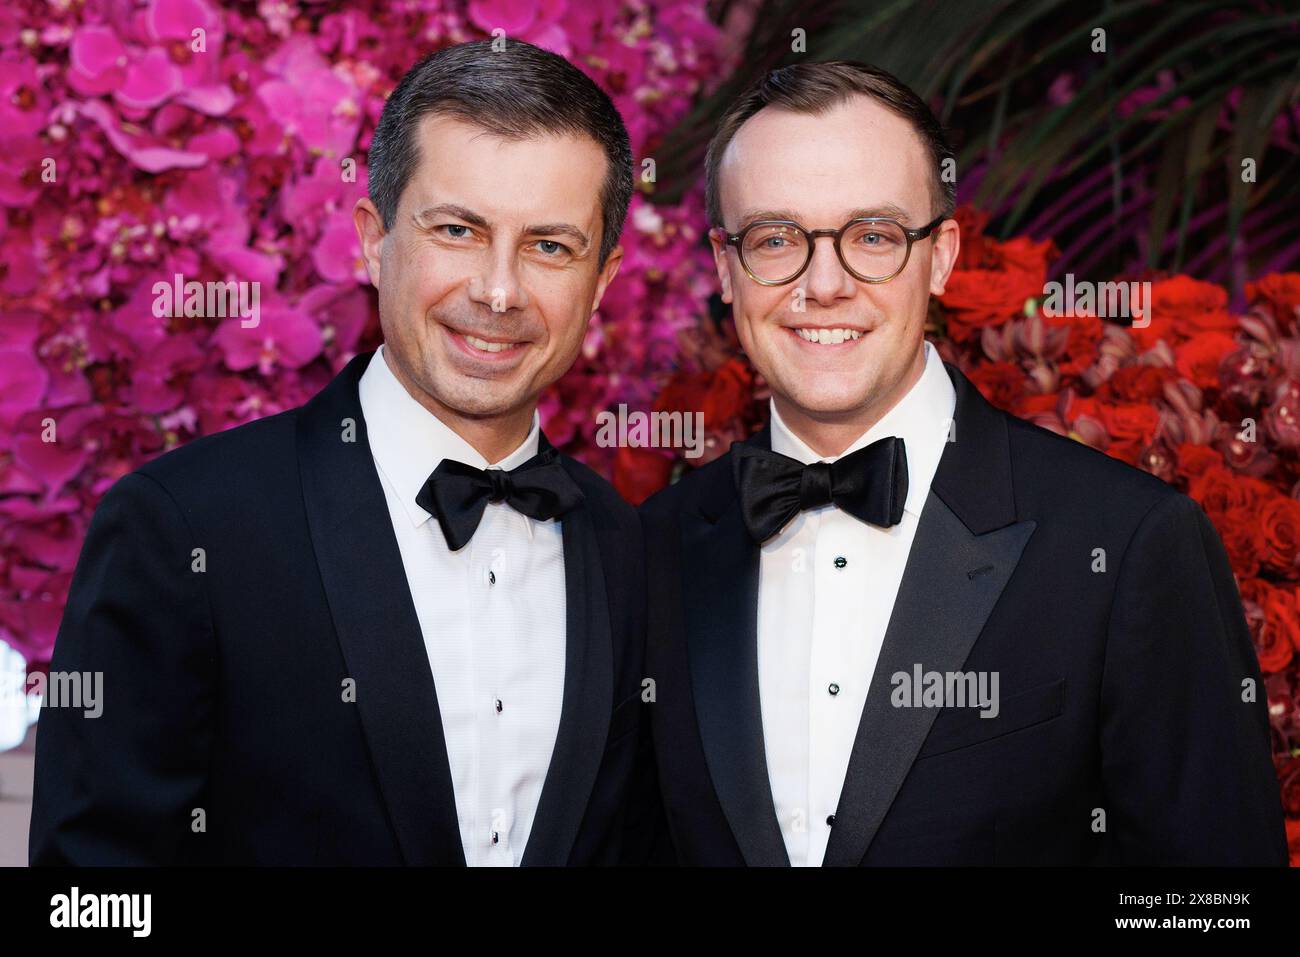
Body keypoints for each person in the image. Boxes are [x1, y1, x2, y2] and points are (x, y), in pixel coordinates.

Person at [640, 60, 1288, 866]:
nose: (825, 283)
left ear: (941, 256)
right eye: (776, 239)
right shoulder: (651, 552)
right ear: (724, 266)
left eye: (873, 237)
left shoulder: (1129, 544)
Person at [30, 38, 649, 866]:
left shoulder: (623, 544)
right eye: (458, 229)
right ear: (372, 239)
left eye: (549, 246)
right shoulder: (181, 529)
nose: (498, 291)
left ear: (602, 281)